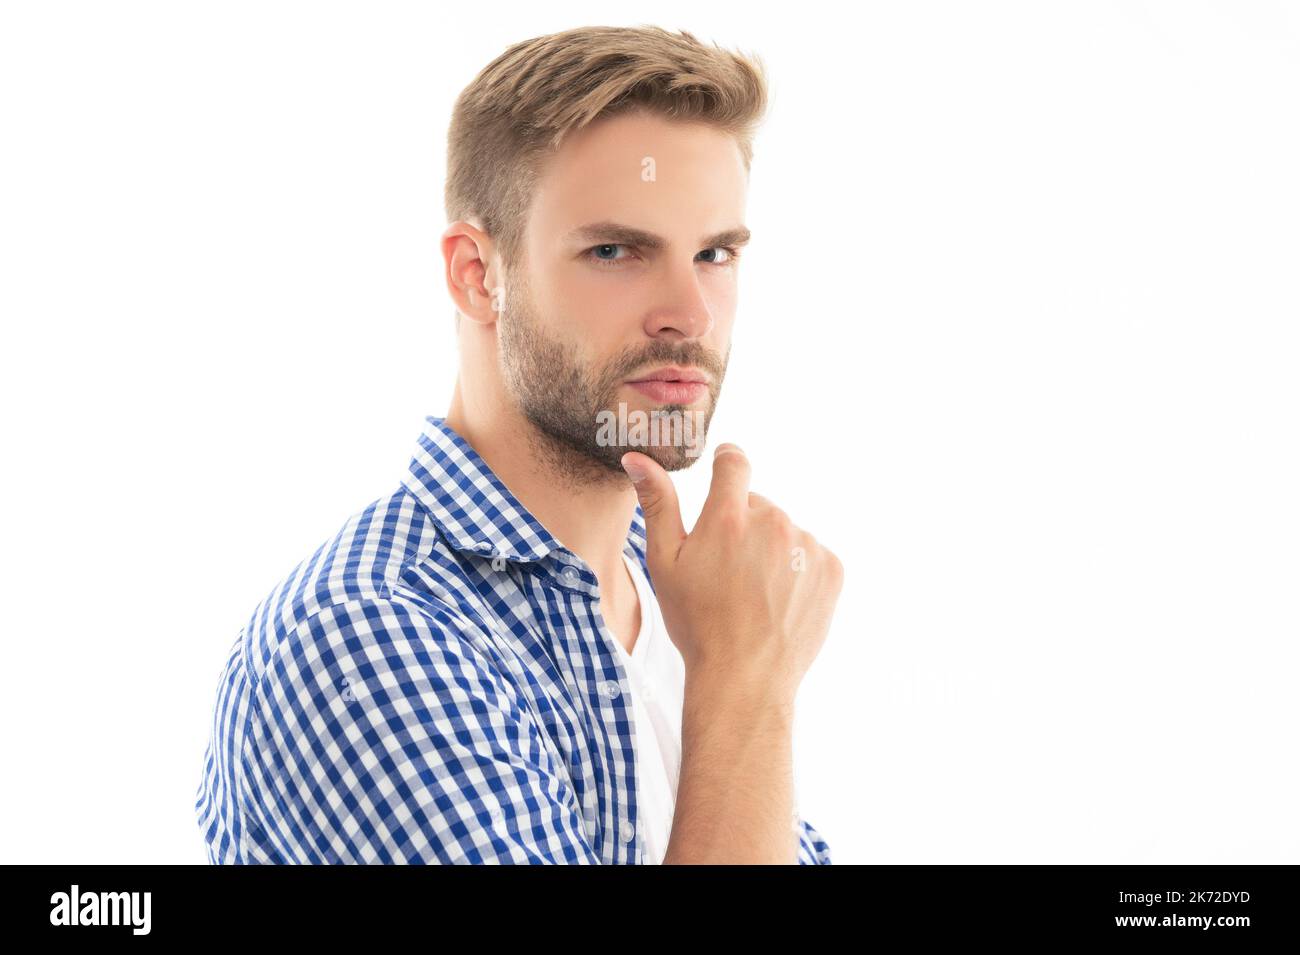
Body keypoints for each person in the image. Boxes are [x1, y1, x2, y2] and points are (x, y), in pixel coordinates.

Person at [195, 24, 843, 864]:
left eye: (714, 252)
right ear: (477, 273)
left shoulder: (692, 596)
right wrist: (748, 688)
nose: (691, 312)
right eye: (616, 251)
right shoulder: (370, 637)